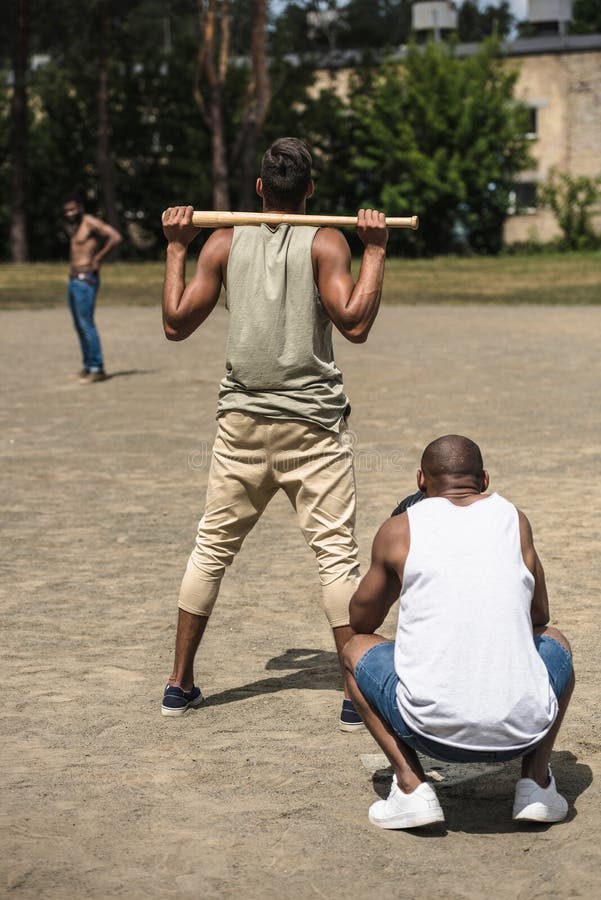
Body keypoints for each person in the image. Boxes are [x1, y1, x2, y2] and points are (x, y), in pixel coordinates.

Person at [160, 137, 389, 729]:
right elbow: (357, 324)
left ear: (261, 188)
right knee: (336, 558)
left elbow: (175, 322)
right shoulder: (327, 240)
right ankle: (353, 693)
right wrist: (376, 251)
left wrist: (177, 249)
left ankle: (179, 683)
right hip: (311, 426)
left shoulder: (224, 239)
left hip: (241, 424)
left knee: (211, 548)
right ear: (309, 190)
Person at [342, 435, 575, 829]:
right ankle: (535, 783)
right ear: (484, 479)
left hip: (426, 732)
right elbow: (540, 615)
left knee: (354, 650)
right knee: (557, 642)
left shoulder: (399, 529)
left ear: (420, 479)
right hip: (522, 732)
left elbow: (361, 622)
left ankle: (412, 787)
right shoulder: (514, 519)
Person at [63, 193, 122, 383]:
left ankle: (98, 368)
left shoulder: (89, 222)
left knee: (87, 324)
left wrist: (98, 258)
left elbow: (115, 237)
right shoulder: (76, 227)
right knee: (79, 325)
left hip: (86, 279)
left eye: (73, 209)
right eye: (67, 211)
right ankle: (88, 365)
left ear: (80, 207)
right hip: (74, 279)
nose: (70, 213)